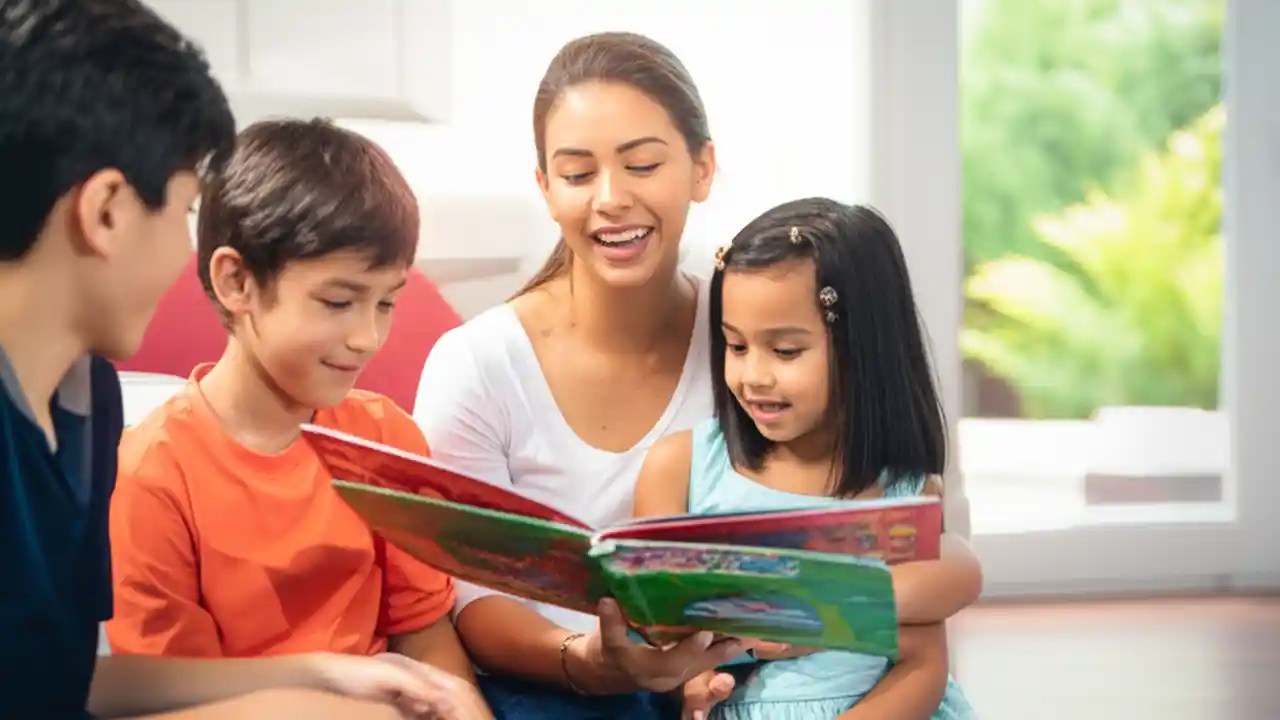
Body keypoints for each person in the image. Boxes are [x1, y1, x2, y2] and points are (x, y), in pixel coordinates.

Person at [413, 31, 981, 719]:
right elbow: (468, 596)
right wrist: (591, 662)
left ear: (702, 168)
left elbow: (935, 552)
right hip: (559, 685)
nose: (611, 198)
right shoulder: (476, 363)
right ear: (545, 188)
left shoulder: (756, 318)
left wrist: (819, 608)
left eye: (643, 164)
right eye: (578, 173)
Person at [0, 2, 480, 718]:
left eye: (384, 304)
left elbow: (63, 686)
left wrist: (328, 678)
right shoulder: (151, 466)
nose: (178, 260)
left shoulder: (85, 397)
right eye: (183, 208)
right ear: (105, 210)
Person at [104, 117, 492, 718]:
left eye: (386, 301)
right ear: (236, 281)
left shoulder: (386, 438)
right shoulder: (155, 473)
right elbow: (169, 694)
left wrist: (460, 702)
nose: (367, 337)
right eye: (338, 302)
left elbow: (423, 626)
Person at [635, 198, 980, 719]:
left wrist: (814, 613)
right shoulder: (681, 469)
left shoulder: (900, 491)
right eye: (736, 346)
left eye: (786, 351)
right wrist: (691, 683)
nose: (753, 376)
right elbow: (656, 638)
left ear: (862, 347)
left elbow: (923, 665)